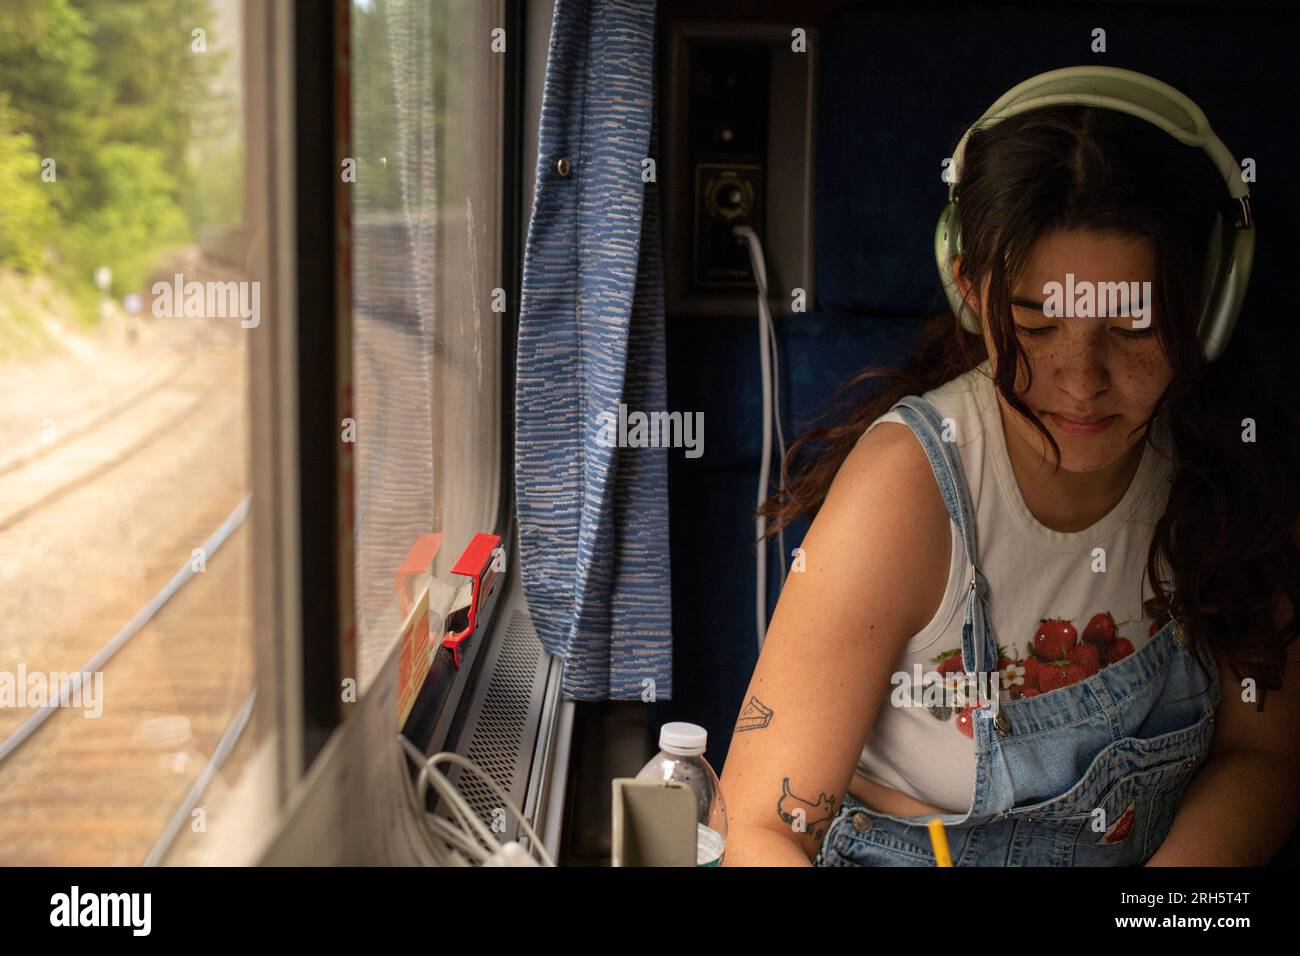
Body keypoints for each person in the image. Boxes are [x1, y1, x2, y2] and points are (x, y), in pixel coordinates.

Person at [720, 70, 1300, 867]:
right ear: (971, 292)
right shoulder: (907, 488)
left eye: (1134, 330)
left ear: (1208, 302)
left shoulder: (1239, 467)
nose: (1082, 377)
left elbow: (1262, 755)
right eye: (1034, 323)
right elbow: (760, 826)